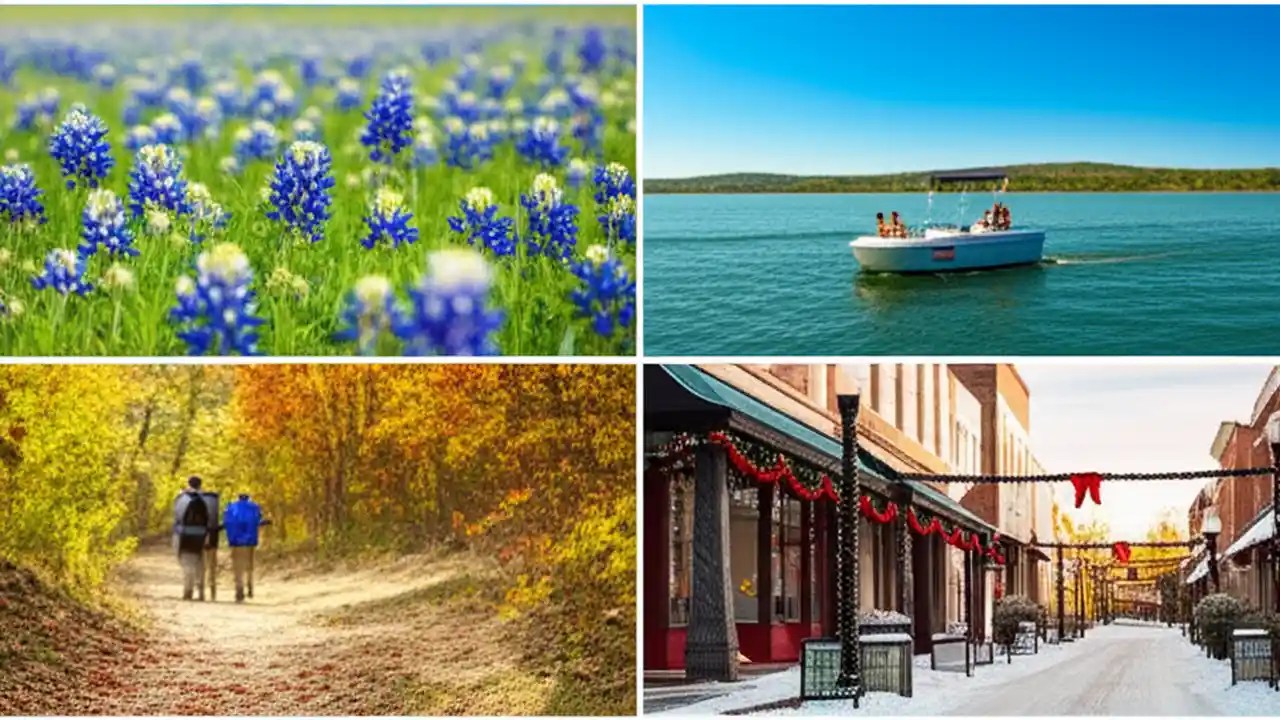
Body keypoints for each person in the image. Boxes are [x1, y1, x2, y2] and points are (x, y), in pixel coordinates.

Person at [222, 493, 271, 603]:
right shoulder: (254, 507)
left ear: (238, 498)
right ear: (248, 498)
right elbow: (258, 521)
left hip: (236, 542)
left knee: (237, 568)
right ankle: (250, 587)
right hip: (250, 541)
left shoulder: (231, 507)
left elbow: (226, 522)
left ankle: (239, 590)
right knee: (249, 566)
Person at [172, 476, 211, 601]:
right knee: (200, 564)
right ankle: (201, 591)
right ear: (200, 485)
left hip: (184, 534)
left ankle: (188, 590)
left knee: (187, 563)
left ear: (189, 484)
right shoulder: (206, 498)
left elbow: (176, 516)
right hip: (201, 534)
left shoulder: (182, 498)